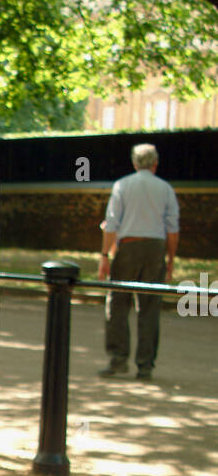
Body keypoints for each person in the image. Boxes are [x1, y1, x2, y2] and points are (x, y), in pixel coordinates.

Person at [97, 143, 180, 381]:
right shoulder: (166, 189)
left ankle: (118, 359)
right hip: (155, 248)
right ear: (155, 164)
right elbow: (172, 229)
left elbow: (111, 223)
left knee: (117, 305)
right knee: (150, 308)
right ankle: (145, 366)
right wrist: (171, 259)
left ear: (134, 163)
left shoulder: (122, 185)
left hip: (128, 246)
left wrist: (104, 256)